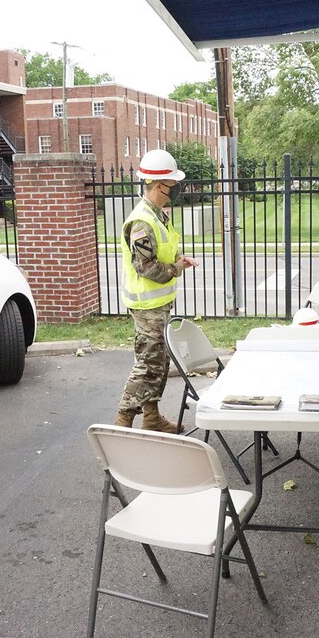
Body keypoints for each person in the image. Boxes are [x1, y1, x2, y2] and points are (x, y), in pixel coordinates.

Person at [115, 148, 197, 432]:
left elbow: (158, 257)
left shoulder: (157, 214)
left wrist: (175, 260)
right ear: (159, 185)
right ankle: (123, 422)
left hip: (158, 306)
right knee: (147, 366)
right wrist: (177, 268)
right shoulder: (141, 221)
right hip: (147, 308)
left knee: (159, 362)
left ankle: (151, 418)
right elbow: (147, 268)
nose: (176, 187)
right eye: (173, 183)